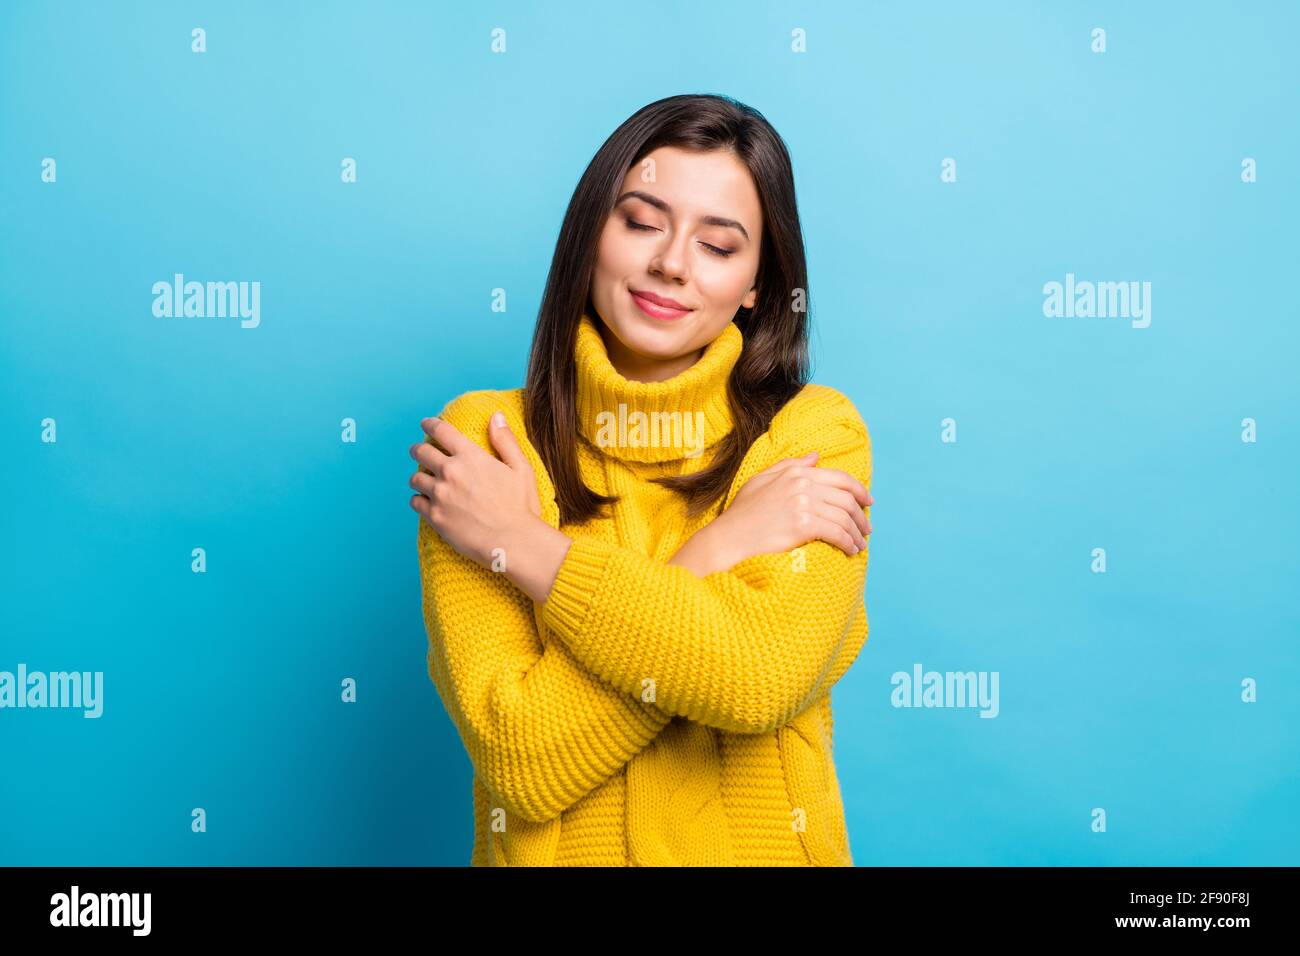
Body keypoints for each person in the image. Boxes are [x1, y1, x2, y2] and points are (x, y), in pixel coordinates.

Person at [409, 93, 875, 866]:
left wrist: (523, 544)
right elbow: (522, 755)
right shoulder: (489, 438)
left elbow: (757, 681)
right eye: (641, 221)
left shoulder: (811, 436)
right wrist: (721, 546)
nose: (670, 263)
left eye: (719, 246)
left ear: (760, 283)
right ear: (592, 230)